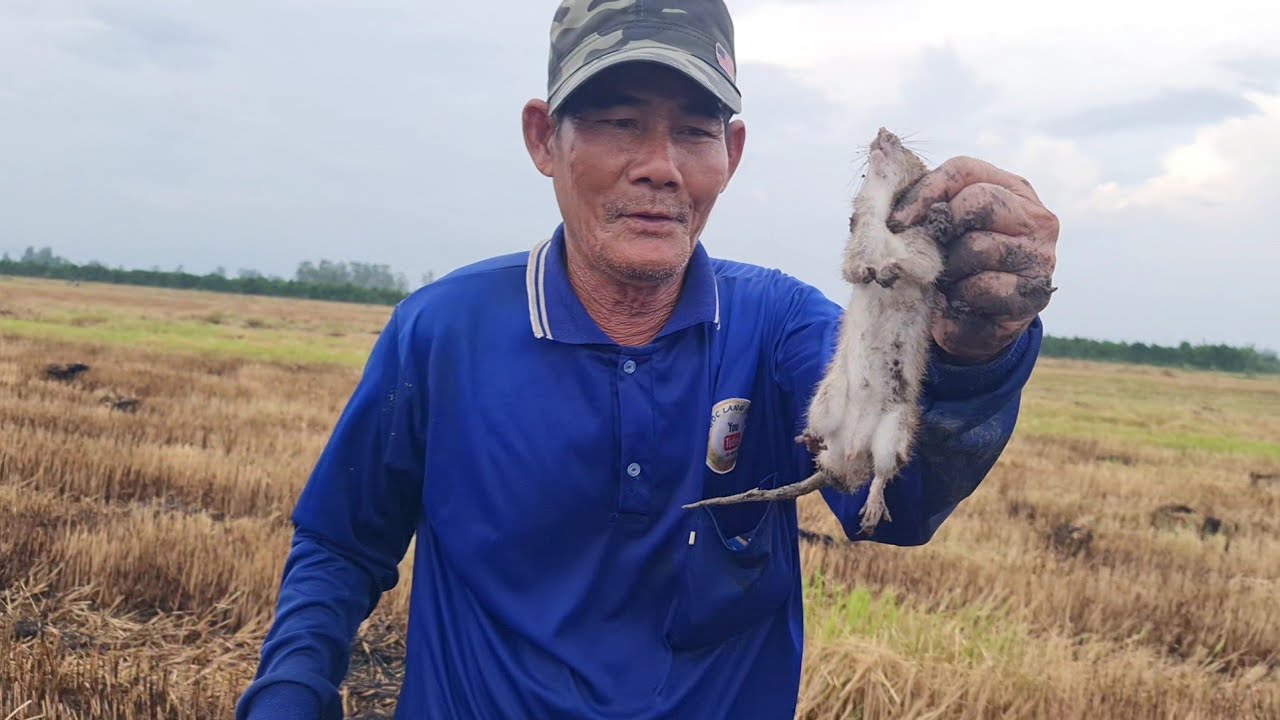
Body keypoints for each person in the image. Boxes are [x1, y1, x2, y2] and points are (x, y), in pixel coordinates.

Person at [235, 1, 1058, 718]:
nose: (659, 166)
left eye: (694, 130)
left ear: (731, 152)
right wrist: (291, 691)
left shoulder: (775, 327)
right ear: (542, 139)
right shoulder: (443, 331)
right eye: (618, 121)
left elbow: (902, 502)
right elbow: (342, 544)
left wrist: (971, 350)